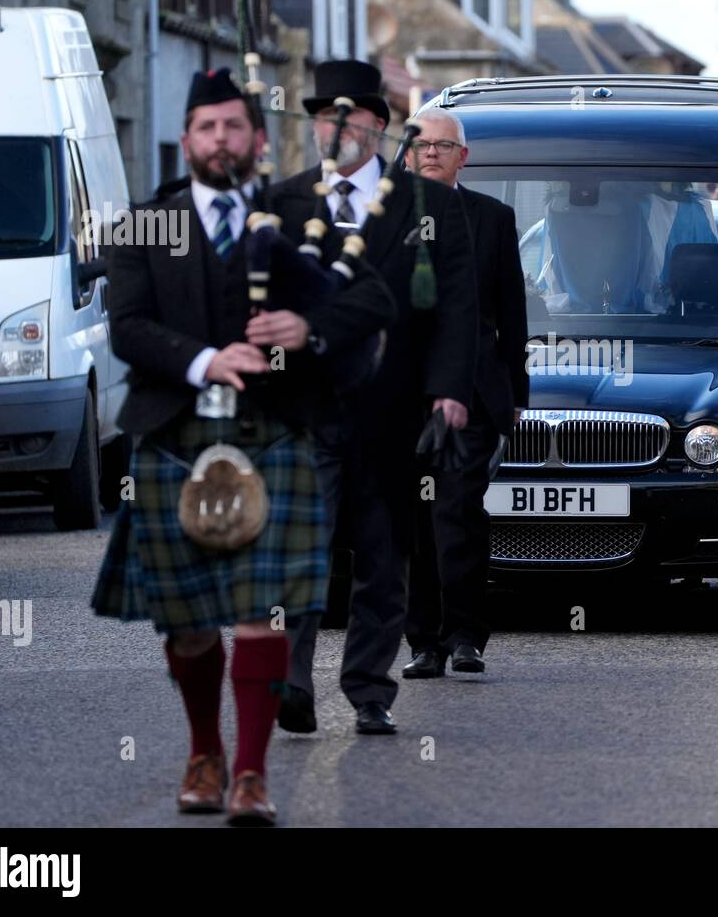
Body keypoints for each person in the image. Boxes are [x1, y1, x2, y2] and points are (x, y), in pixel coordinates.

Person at [91, 68, 395, 825]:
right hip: (175, 433)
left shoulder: (297, 217)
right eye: (205, 127)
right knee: (190, 622)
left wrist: (307, 328)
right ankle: (205, 749)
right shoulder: (146, 223)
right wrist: (204, 359)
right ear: (188, 139)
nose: (219, 139)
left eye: (233, 126)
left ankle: (251, 772)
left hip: (275, 431)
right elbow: (126, 326)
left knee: (261, 610)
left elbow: (371, 301)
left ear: (257, 139)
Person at [268, 60, 479, 735]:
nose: (336, 127)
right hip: (306, 407)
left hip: (393, 410)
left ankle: (368, 689)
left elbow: (456, 311)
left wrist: (448, 391)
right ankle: (292, 679)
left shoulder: (432, 206)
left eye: (350, 116)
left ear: (379, 126)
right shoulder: (281, 204)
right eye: (324, 116)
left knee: (383, 556)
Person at [403, 107, 529, 678]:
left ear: (463, 157)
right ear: (407, 154)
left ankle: (465, 637)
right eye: (422, 145)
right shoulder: (381, 220)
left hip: (472, 396)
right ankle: (422, 642)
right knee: (413, 517)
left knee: (456, 511)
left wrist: (515, 396)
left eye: (443, 146)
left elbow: (513, 317)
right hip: (399, 398)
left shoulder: (493, 219)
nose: (431, 153)